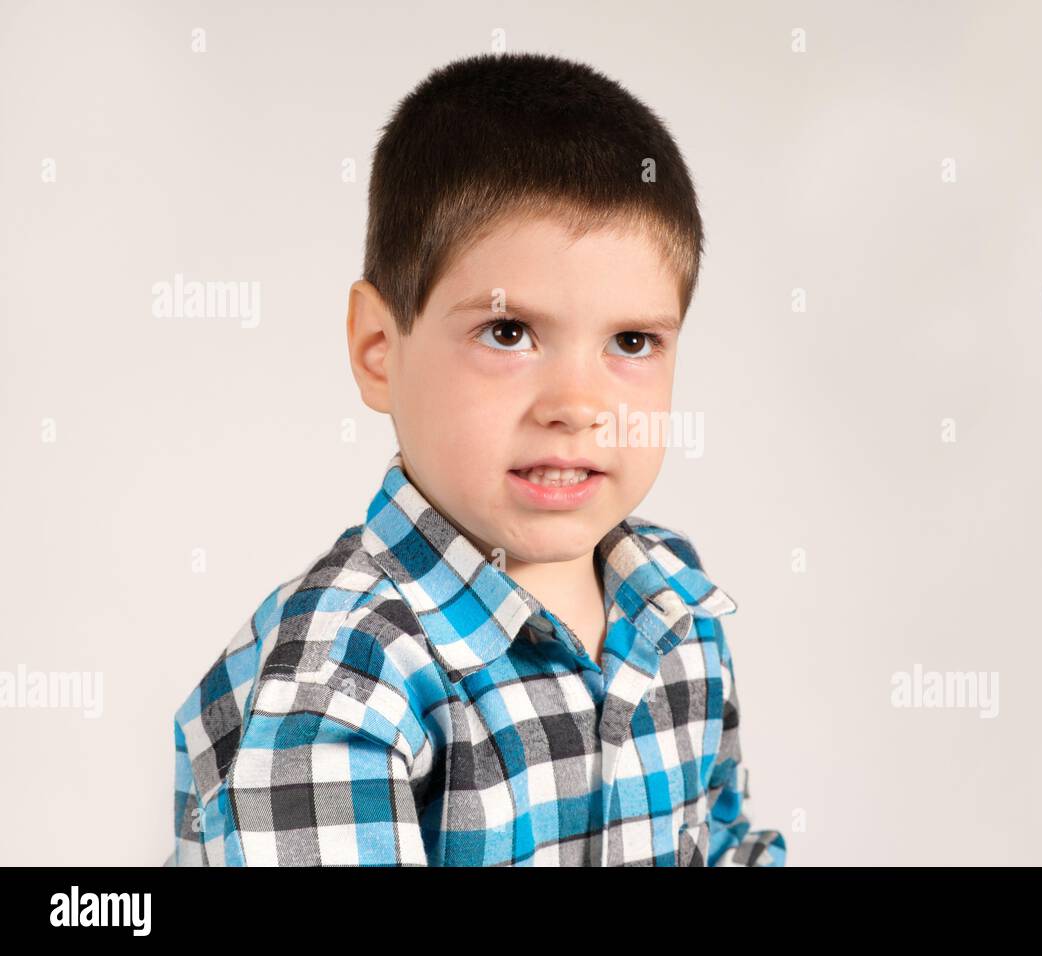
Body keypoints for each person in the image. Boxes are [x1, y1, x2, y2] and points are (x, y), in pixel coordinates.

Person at [169, 51, 785, 867]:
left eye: (632, 342)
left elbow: (728, 843)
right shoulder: (345, 677)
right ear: (379, 348)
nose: (577, 404)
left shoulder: (677, 607)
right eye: (508, 332)